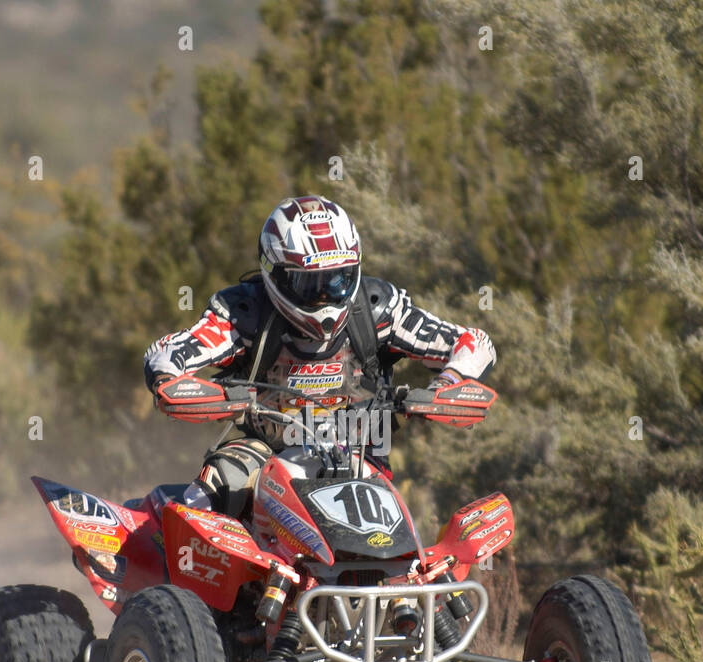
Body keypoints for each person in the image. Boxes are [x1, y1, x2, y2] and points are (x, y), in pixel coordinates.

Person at [144, 195, 496, 517]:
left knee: (407, 547)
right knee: (213, 488)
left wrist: (445, 385)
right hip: (265, 457)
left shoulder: (376, 308)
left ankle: (431, 586)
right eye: (309, 285)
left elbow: (473, 341)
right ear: (276, 275)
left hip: (358, 460)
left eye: (338, 280)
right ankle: (175, 580)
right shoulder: (244, 314)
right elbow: (166, 352)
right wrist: (177, 384)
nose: (326, 297)